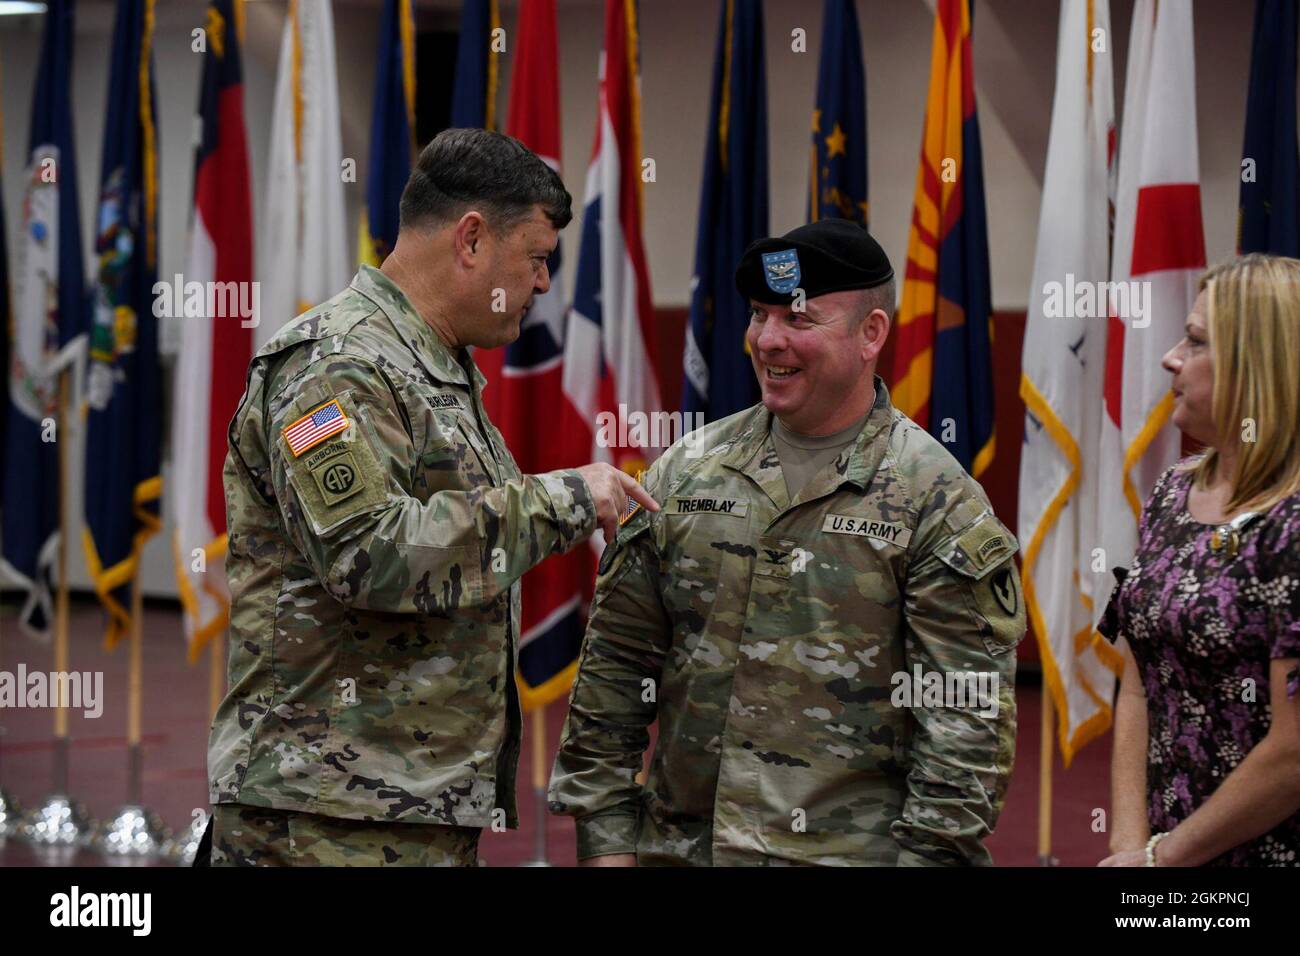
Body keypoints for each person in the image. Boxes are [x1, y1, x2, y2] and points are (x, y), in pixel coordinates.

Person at [207, 128, 656, 866]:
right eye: (537, 259)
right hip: (325, 815)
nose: (544, 284)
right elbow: (368, 555)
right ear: (471, 238)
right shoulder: (338, 363)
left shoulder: (429, 363)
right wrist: (566, 499)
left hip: (397, 803)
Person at [548, 219, 1025, 866]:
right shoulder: (684, 473)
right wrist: (605, 845)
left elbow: (964, 727)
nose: (767, 340)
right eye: (758, 315)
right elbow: (617, 670)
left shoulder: (935, 499)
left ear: (871, 334)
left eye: (798, 319)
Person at [1100, 253, 1300, 867]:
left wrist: (1162, 862)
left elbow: (1293, 753)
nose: (1171, 358)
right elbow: (1137, 684)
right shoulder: (1172, 491)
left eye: (1195, 341)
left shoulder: (1290, 524)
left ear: (1256, 366)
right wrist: (1131, 848)